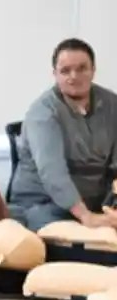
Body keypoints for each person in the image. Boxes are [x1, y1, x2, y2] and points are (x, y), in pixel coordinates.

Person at [8, 38, 117, 230]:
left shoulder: (112, 104)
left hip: (96, 204)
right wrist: (87, 217)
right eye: (65, 70)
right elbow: (53, 174)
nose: (74, 76)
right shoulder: (42, 113)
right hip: (46, 205)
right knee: (89, 244)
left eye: (82, 68)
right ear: (55, 74)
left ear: (93, 70)